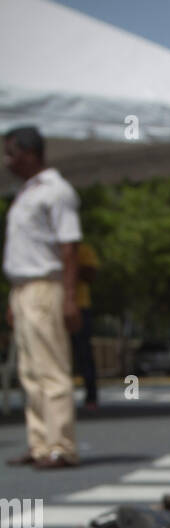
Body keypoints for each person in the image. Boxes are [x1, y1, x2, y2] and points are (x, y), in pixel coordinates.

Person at [2, 125, 81, 468]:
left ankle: (61, 445)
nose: (7, 161)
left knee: (51, 369)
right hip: (23, 289)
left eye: (11, 153)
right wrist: (12, 299)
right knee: (29, 372)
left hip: (45, 286)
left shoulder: (56, 191)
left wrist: (69, 296)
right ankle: (40, 442)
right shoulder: (25, 193)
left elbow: (69, 246)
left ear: (30, 153)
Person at [72, 240, 99, 411]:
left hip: (80, 307)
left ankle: (91, 396)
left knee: (84, 353)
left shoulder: (83, 249)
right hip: (51, 308)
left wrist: (69, 261)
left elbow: (91, 275)